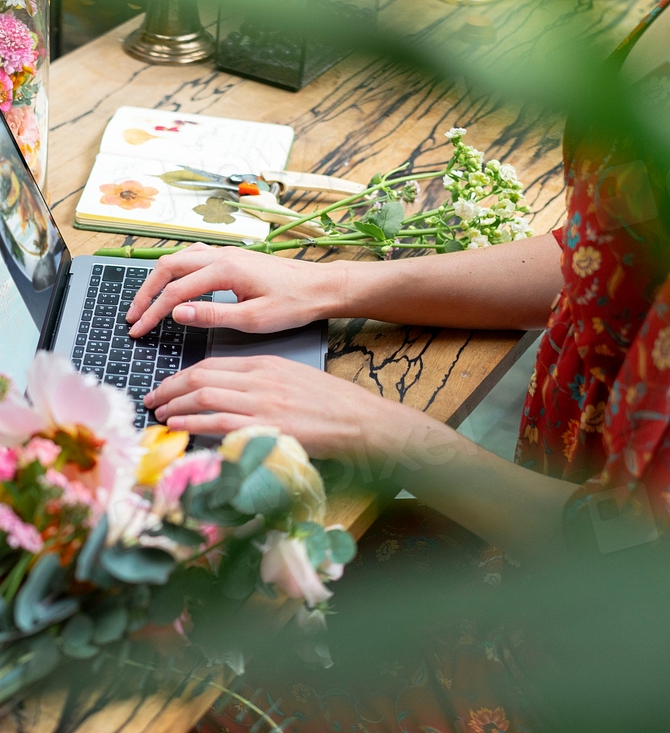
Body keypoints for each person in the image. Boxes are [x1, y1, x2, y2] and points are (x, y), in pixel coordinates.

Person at [122, 2, 670, 730]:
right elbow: (601, 252)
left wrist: (377, 428)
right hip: (523, 549)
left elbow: (629, 550)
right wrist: (335, 285)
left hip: (577, 665)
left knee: (184, 691)